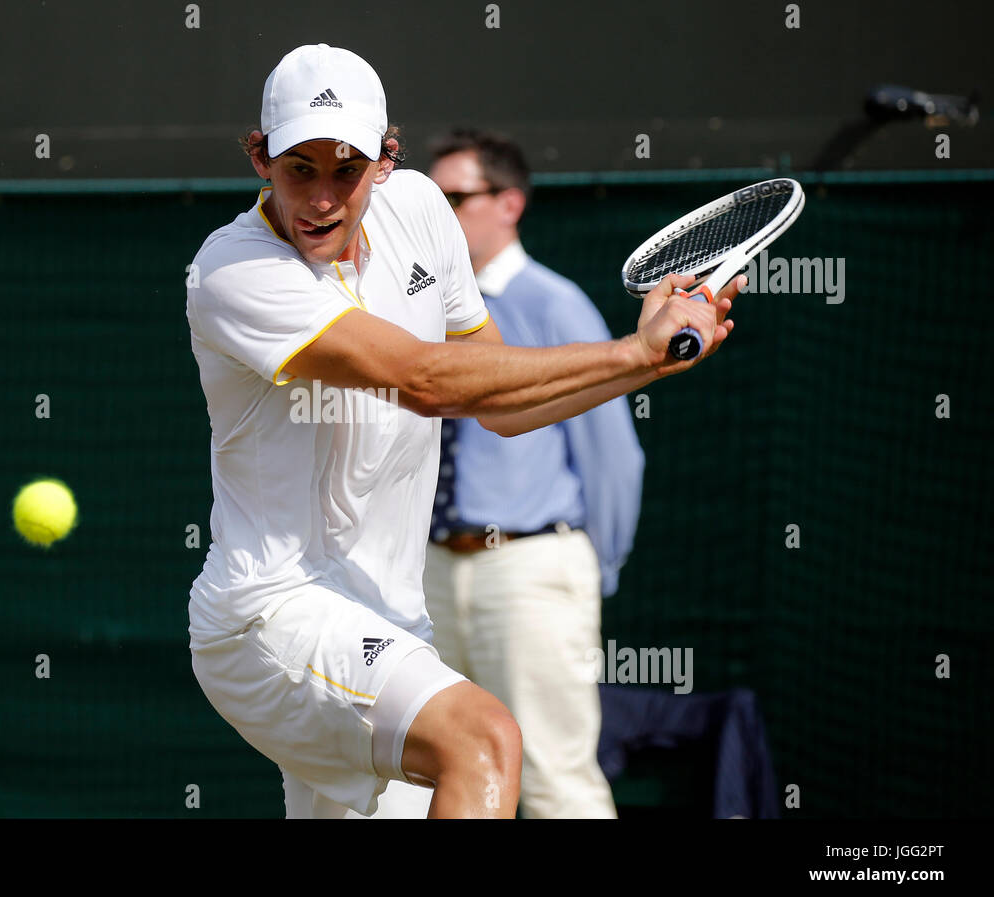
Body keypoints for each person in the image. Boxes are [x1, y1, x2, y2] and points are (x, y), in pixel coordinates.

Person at [185, 43, 739, 819]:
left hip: (388, 615)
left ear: (387, 159)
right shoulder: (232, 273)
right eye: (297, 167)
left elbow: (502, 403)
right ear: (258, 156)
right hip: (271, 615)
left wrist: (647, 364)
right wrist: (630, 348)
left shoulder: (418, 212)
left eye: (344, 168)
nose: (319, 197)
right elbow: (425, 379)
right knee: (484, 741)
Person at [422, 129, 644, 818]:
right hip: (425, 569)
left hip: (529, 567)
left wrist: (581, 567)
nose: (439, 215)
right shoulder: (417, 305)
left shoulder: (555, 303)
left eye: (455, 197)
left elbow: (614, 456)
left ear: (509, 203)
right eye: (429, 200)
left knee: (553, 781)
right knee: (427, 776)